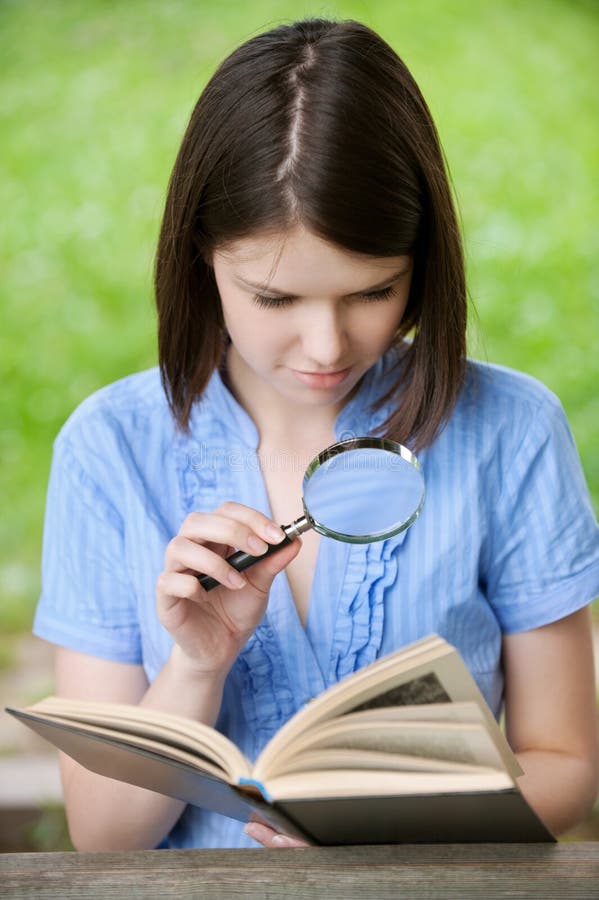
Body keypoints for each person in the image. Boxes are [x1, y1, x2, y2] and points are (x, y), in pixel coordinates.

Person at [33, 18, 599, 851]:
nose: (328, 347)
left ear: (423, 260)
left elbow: (565, 765)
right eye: (273, 299)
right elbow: (104, 838)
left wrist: (401, 826)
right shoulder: (109, 448)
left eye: (373, 291)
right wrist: (196, 665)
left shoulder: (510, 432)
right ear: (199, 258)